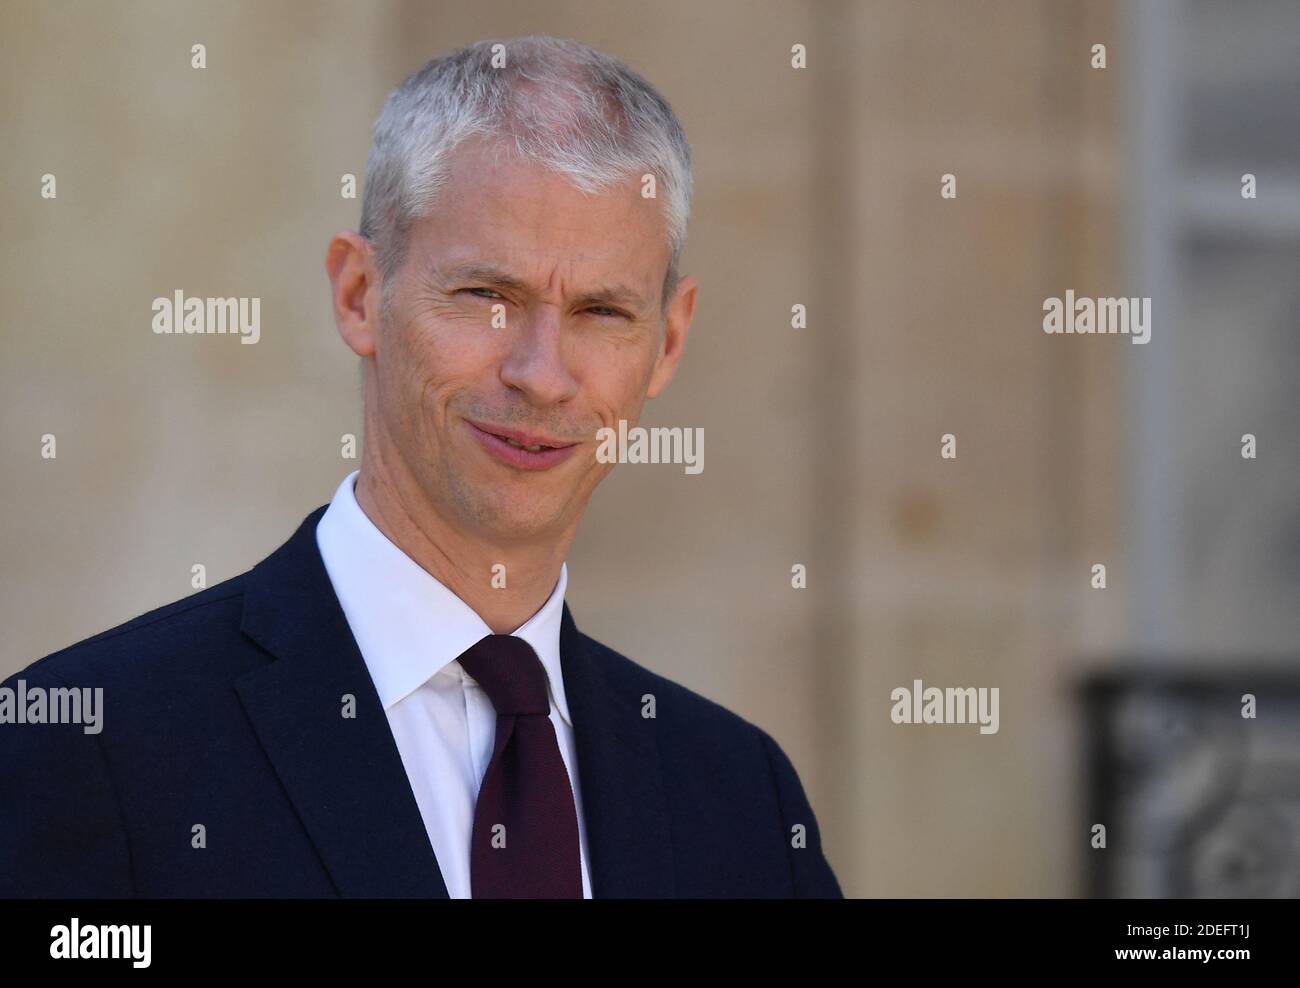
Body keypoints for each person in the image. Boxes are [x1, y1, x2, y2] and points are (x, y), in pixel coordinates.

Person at [0, 35, 842, 898]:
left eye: (601, 311)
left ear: (667, 342)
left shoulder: (742, 801)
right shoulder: (91, 749)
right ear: (359, 296)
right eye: (487, 296)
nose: (542, 375)